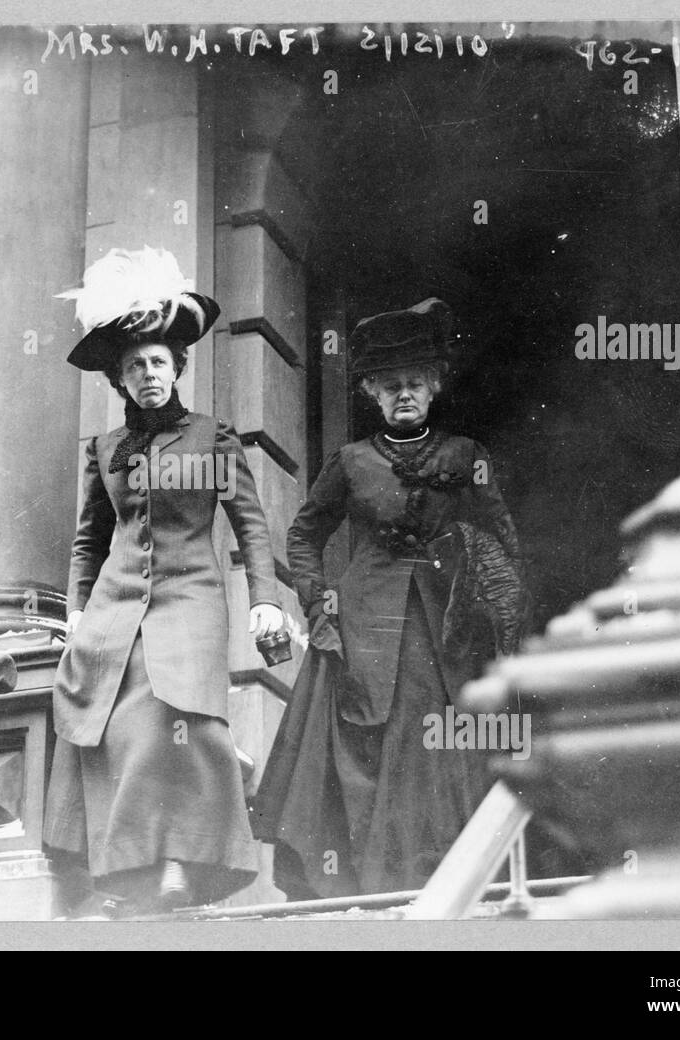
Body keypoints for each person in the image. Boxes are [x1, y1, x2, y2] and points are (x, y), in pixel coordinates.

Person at [252, 298, 528, 900]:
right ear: (373, 393)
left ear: (432, 388)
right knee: (367, 741)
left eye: (414, 383)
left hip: (445, 619)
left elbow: (502, 537)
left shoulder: (465, 455)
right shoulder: (351, 461)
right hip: (363, 619)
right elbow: (304, 534)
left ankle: (441, 883)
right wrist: (317, 597)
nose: (403, 394)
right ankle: (366, 883)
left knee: (439, 738)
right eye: (390, 385)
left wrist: (493, 597)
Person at [43, 246, 286, 916]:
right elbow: (88, 541)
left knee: (172, 717)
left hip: (191, 602)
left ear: (177, 367)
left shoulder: (213, 438)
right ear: (119, 380)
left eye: (158, 363)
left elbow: (252, 525)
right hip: (113, 609)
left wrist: (265, 600)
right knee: (112, 727)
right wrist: (73, 614)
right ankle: (130, 865)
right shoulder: (103, 451)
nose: (148, 374)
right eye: (134, 367)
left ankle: (181, 856)